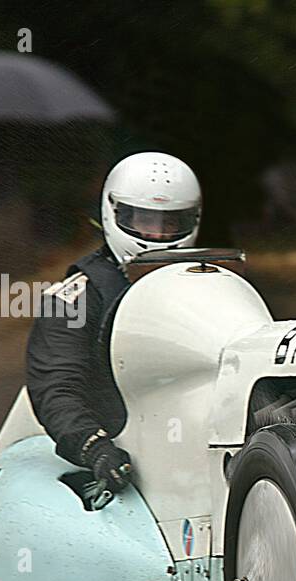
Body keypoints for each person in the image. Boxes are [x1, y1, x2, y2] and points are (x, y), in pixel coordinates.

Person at [26, 152, 202, 489]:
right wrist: (94, 447)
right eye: (145, 221)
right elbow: (57, 385)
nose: (160, 235)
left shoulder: (207, 282)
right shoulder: (74, 299)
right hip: (111, 445)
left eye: (171, 223)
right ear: (113, 213)